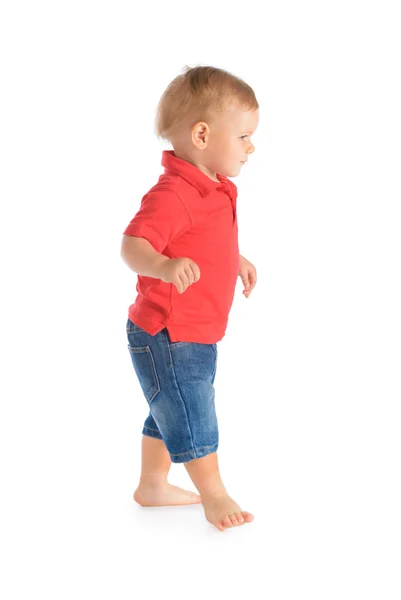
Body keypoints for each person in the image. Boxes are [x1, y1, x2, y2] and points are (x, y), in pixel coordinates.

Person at [121, 65, 259, 531]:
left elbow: (208, 240)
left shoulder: (215, 188)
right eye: (242, 136)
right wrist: (161, 265)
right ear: (202, 134)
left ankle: (152, 485)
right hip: (169, 331)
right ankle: (214, 493)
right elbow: (133, 245)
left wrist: (234, 259)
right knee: (193, 409)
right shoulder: (174, 193)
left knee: (169, 406)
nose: (250, 147)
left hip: (195, 332)